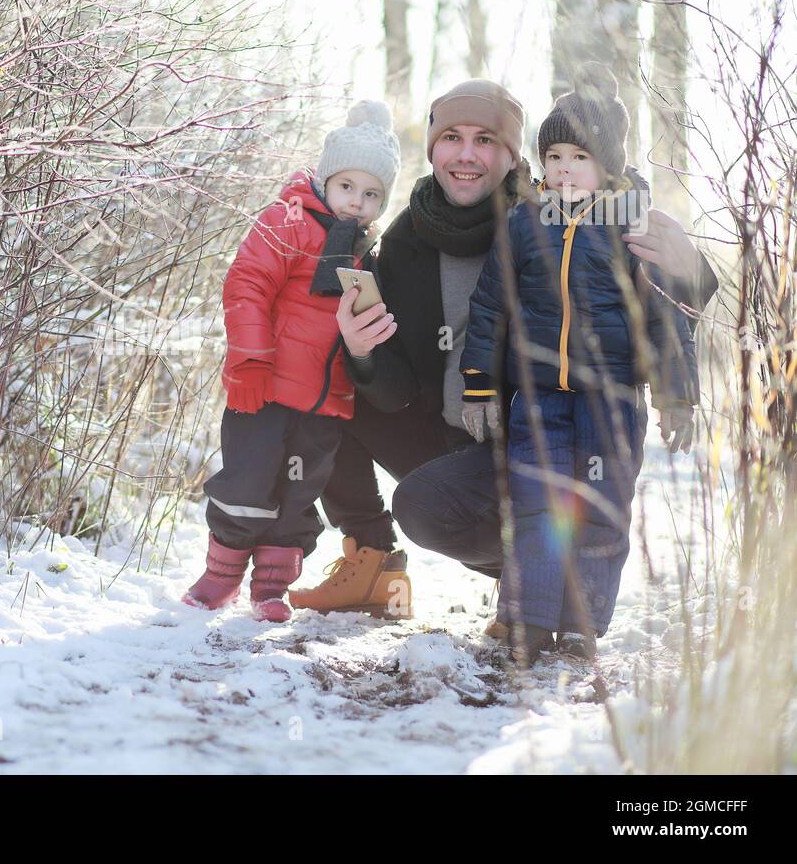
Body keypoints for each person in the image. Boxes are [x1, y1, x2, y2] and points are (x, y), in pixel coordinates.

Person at [289, 78, 718, 622]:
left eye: (485, 140)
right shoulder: (404, 239)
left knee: (560, 491)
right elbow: (394, 389)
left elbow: (664, 301)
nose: (466, 154)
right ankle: (372, 558)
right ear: (432, 148)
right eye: (451, 137)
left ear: (513, 155)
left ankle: (547, 583)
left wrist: (689, 268)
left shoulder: (562, 215)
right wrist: (363, 351)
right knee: (328, 384)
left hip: (539, 429)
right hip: (456, 431)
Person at [458, 64, 698, 666]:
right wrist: (480, 386)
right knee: (538, 506)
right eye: (554, 155)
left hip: (610, 400)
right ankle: (529, 620)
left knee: (599, 509)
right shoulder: (524, 223)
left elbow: (668, 316)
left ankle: (581, 623)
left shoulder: (631, 228)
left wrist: (676, 395)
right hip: (539, 398)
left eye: (579, 157)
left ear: (608, 165)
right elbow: (491, 306)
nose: (563, 168)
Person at [183, 100, 401, 622]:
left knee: (298, 494)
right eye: (347, 186)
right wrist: (251, 360)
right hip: (265, 389)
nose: (356, 202)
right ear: (326, 178)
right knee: (247, 481)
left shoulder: (366, 252)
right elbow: (247, 284)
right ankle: (220, 576)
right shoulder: (289, 222)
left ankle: (273, 586)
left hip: (324, 404)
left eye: (372, 194)